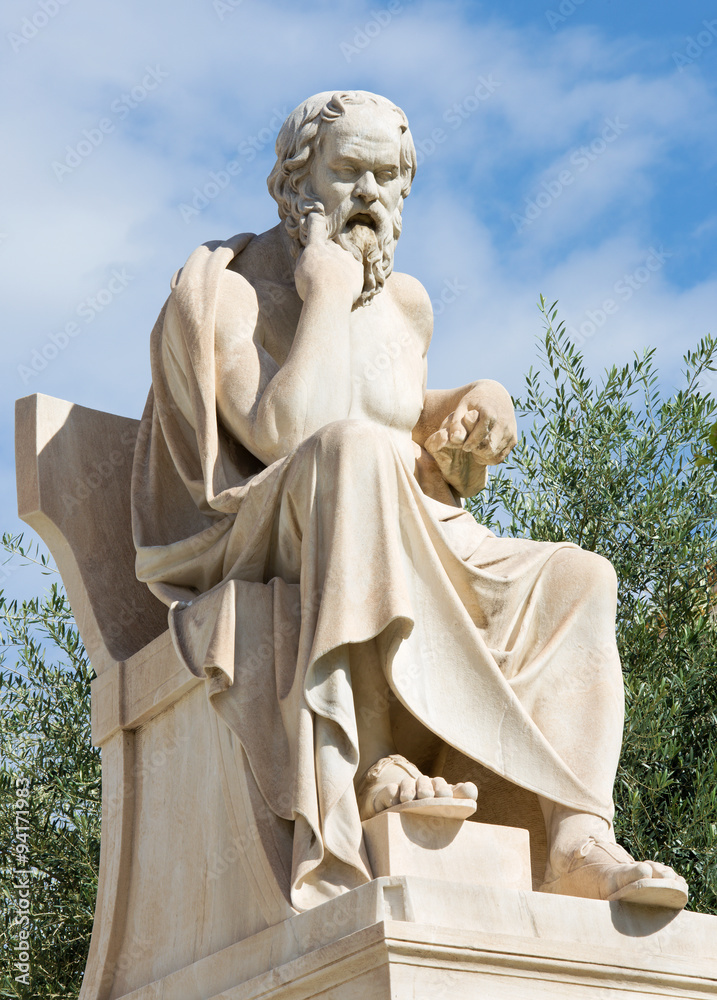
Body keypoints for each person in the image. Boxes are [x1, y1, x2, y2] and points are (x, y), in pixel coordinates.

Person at [131, 90, 687, 911]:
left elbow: (404, 414)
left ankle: (576, 833)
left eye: (387, 178)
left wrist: (472, 401)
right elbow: (286, 431)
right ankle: (370, 768)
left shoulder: (407, 302)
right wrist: (324, 293)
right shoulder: (228, 291)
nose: (369, 197)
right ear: (295, 181)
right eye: (348, 171)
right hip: (254, 526)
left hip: (386, 506)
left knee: (579, 576)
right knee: (356, 452)